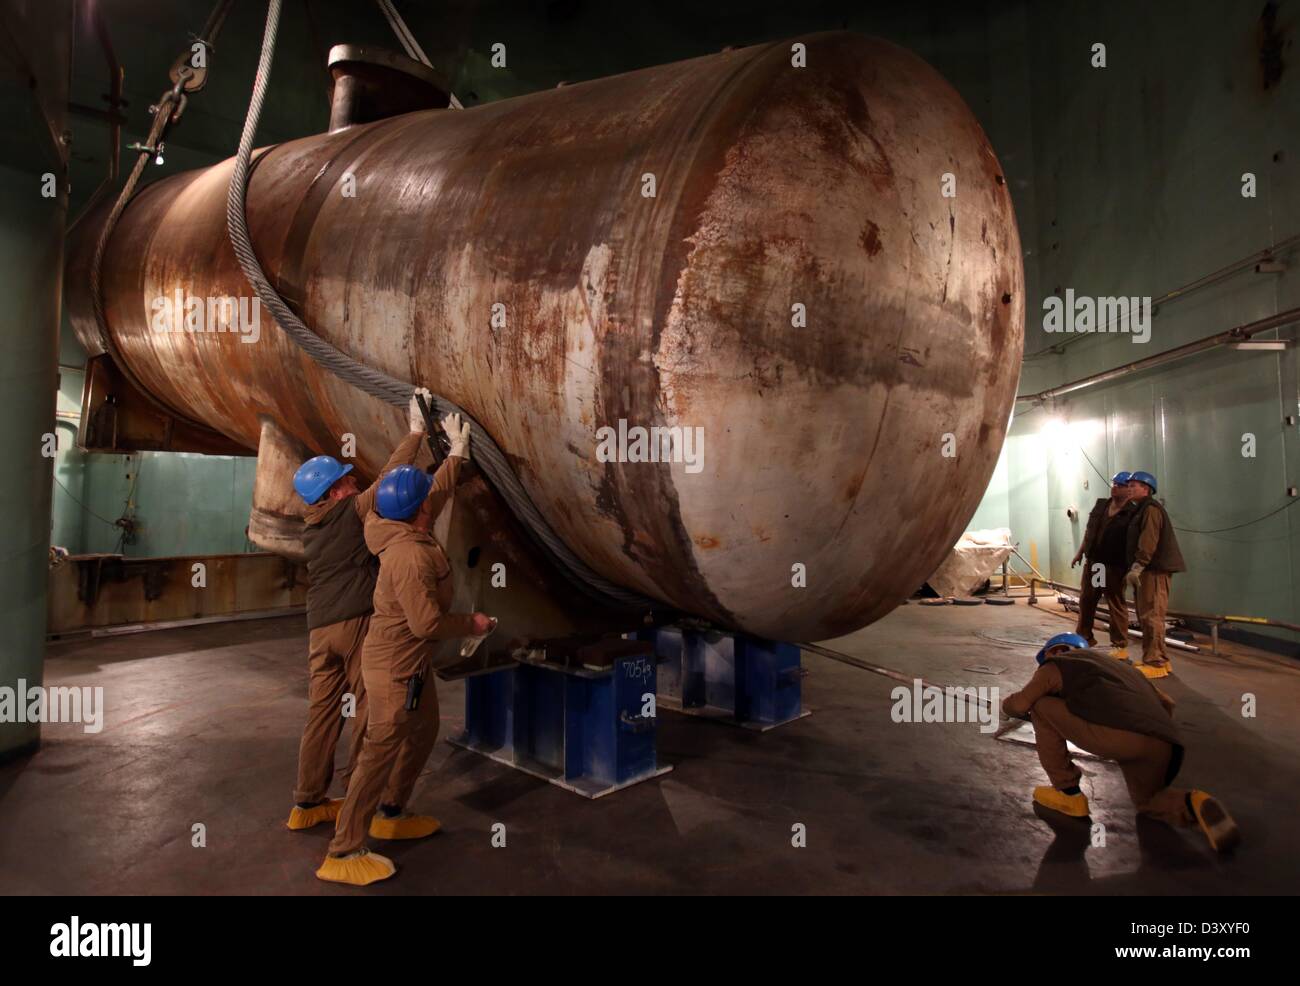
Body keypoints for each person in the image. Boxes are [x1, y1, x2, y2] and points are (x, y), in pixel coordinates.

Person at [316, 411, 495, 886]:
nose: (429, 506)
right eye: (425, 505)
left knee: (424, 728)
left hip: (409, 666)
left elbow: (424, 492)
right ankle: (344, 848)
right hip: (396, 666)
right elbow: (428, 622)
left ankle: (392, 812)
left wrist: (453, 454)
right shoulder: (410, 557)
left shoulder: (384, 521)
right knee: (378, 750)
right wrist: (473, 623)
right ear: (419, 515)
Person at [285, 389, 433, 831]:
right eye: (346, 481)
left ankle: (307, 804)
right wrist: (416, 432)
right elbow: (389, 477)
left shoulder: (311, 527)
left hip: (319, 630)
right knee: (370, 708)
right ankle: (357, 797)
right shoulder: (349, 511)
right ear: (333, 493)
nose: (354, 482)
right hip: (353, 624)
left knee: (323, 712)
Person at [1002, 632, 1238, 853]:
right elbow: (1168, 703)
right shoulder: (1126, 670)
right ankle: (1193, 803)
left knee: (1040, 706)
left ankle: (1068, 793)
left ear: (1054, 651)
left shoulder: (1057, 664)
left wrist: (1006, 707)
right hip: (1165, 743)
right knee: (1148, 802)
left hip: (1120, 738)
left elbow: (1021, 704)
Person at [1123, 471, 1186, 679]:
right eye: (1129, 484)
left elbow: (1149, 540)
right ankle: (1158, 658)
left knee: (1152, 615)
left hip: (1154, 570)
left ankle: (1156, 662)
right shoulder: (1139, 509)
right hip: (1149, 570)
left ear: (1147, 489)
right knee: (1147, 615)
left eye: (1135, 485)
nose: (1129, 488)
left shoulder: (1150, 509)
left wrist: (1138, 565)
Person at [1071, 470, 1136, 657]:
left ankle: (1119, 645)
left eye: (1120, 485)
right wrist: (1080, 553)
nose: (1115, 488)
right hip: (1096, 564)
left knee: (1115, 602)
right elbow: (1089, 531)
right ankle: (1084, 637)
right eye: (1114, 484)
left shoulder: (1131, 512)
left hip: (1115, 566)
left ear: (1128, 490)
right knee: (1088, 599)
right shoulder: (1102, 505)